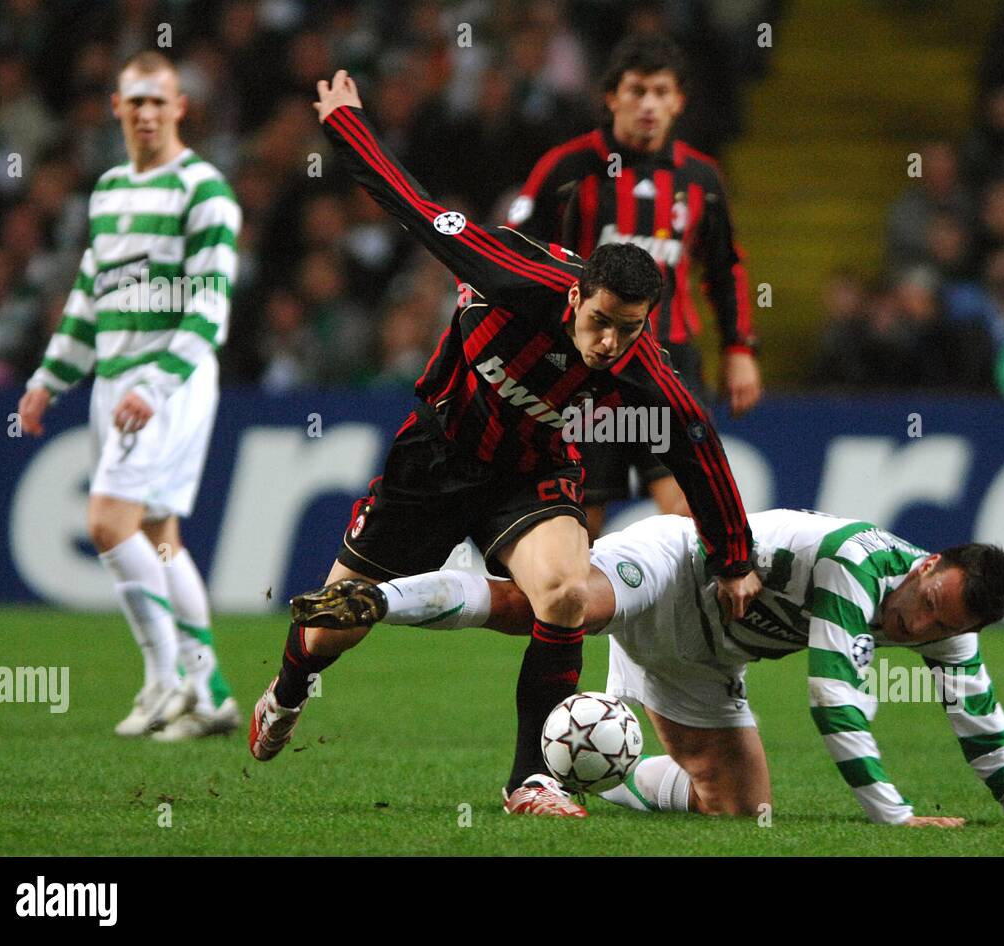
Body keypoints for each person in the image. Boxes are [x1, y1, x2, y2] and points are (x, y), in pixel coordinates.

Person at [248, 71, 759, 819]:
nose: (611, 342)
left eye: (632, 327)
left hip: (535, 473)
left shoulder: (643, 362)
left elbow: (697, 445)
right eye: (604, 321)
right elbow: (414, 209)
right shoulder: (511, 274)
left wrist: (735, 557)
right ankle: (288, 691)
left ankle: (531, 780)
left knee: (564, 594)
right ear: (579, 294)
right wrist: (347, 124)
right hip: (437, 458)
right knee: (329, 632)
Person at [294, 510, 1004, 829]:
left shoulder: (946, 621)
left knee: (739, 807)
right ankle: (379, 598)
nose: (920, 625)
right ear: (928, 561)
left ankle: (604, 772)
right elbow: (834, 699)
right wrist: (894, 817)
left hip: (712, 654)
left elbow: (979, 715)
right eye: (930, 601)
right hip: (677, 564)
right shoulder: (858, 565)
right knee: (553, 604)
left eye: (943, 623)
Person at [16, 51, 241, 740]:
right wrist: (48, 379)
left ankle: (170, 676)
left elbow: (209, 303)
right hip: (115, 376)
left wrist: (154, 383)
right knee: (158, 536)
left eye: (158, 101)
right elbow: (91, 292)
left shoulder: (204, 191)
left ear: (180, 108)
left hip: (166, 376)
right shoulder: (110, 189)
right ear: (116, 107)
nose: (146, 113)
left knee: (107, 523)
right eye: (134, 101)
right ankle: (213, 694)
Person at [508, 36, 762, 539]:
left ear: (678, 101)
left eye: (661, 91)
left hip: (669, 362)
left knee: (692, 513)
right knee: (581, 523)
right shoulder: (566, 170)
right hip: (583, 369)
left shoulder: (701, 179)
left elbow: (724, 267)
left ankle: (679, 616)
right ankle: (581, 617)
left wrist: (738, 348)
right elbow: (516, 258)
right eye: (637, 90)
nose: (649, 104)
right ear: (612, 97)